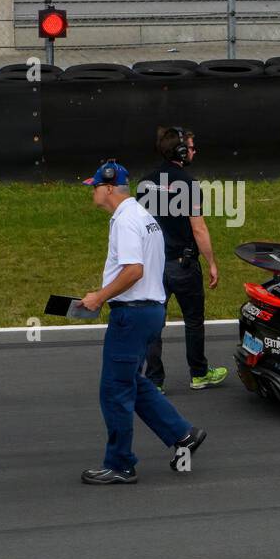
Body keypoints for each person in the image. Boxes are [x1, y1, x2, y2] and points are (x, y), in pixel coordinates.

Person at [78, 160, 206, 485]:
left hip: (131, 314)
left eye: (95, 186)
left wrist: (100, 296)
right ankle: (182, 434)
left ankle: (120, 464)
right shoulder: (144, 215)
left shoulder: (125, 221)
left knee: (114, 390)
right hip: (150, 310)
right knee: (133, 381)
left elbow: (134, 270)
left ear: (108, 188)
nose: (92, 192)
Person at [138, 126, 228, 392]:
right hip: (183, 264)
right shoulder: (188, 184)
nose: (193, 150)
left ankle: (154, 381)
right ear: (180, 151)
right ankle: (199, 374)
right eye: (190, 146)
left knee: (154, 323)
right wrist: (211, 262)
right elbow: (198, 228)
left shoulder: (145, 183)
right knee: (193, 321)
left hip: (154, 265)